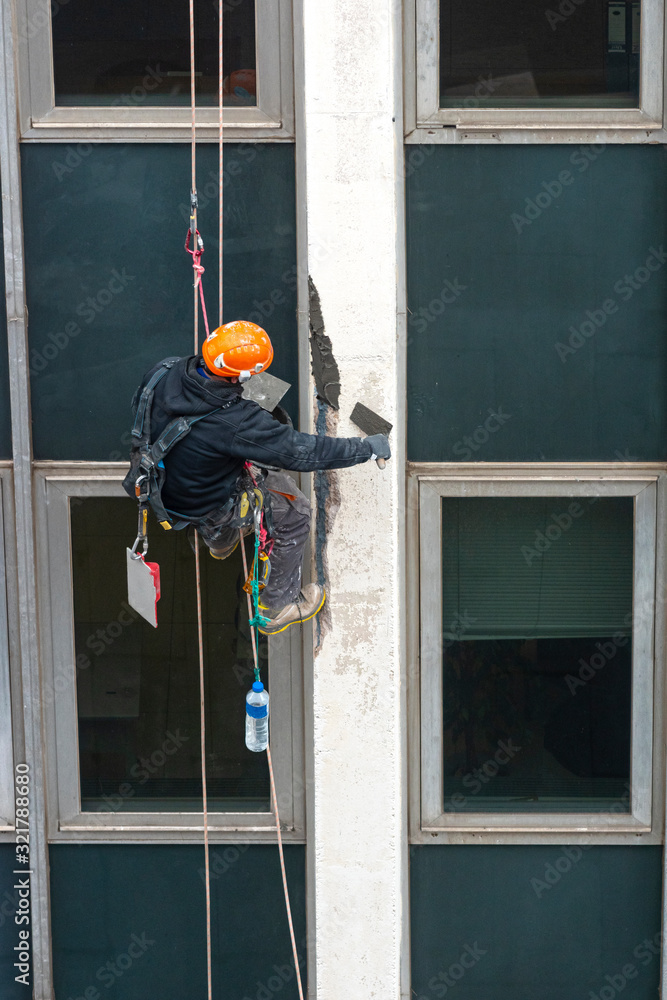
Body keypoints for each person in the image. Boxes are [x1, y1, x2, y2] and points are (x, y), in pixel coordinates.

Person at [127, 320, 391, 635]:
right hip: (205, 502)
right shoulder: (235, 422)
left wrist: (266, 414)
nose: (255, 380)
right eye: (251, 374)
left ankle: (219, 542)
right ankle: (276, 606)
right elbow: (303, 452)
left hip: (162, 482)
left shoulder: (164, 371)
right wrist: (368, 448)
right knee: (295, 511)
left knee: (217, 482)